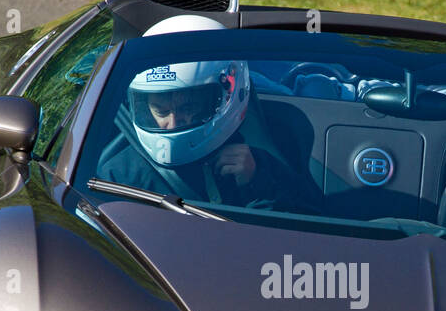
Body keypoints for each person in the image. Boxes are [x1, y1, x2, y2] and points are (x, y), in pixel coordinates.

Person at [97, 44, 322, 214]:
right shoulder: (118, 176)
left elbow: (306, 234)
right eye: (161, 111)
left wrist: (256, 181)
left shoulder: (258, 160)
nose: (173, 123)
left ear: (225, 99)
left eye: (188, 107)